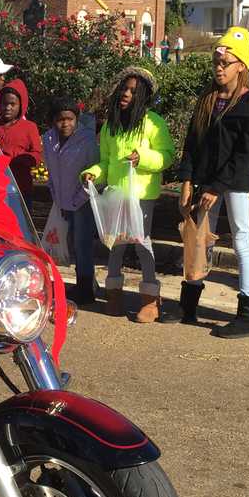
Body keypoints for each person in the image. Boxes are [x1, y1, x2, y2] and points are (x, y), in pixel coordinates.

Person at [175, 26, 249, 338]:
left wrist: (218, 186)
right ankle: (188, 305)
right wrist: (187, 179)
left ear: (241, 65)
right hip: (204, 178)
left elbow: (246, 151)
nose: (218, 67)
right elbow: (193, 142)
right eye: (216, 62)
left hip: (233, 181)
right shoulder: (208, 98)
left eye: (225, 63)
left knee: (241, 238)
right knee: (198, 238)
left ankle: (247, 314)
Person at [82, 67, 176, 322]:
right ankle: (113, 296)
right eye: (124, 88)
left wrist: (142, 158)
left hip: (142, 195)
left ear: (143, 96)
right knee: (115, 245)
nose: (126, 94)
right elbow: (106, 162)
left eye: (133, 91)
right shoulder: (110, 126)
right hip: (117, 195)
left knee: (142, 244)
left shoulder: (153, 123)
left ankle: (150, 300)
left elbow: (167, 156)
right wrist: (92, 173)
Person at [43, 98, 101, 304]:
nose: (65, 124)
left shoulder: (87, 141)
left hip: (83, 201)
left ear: (77, 119)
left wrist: (78, 200)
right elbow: (51, 173)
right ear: (53, 121)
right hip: (63, 200)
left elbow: (95, 176)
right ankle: (86, 281)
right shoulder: (49, 140)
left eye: (70, 119)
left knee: (82, 243)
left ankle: (85, 289)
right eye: (61, 119)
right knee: (71, 243)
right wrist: (58, 200)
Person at [0, 79, 42, 199]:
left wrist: (18, 156)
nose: (8, 107)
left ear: (21, 105)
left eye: (12, 104)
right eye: (4, 103)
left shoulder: (29, 127)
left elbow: (37, 155)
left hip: (20, 187)